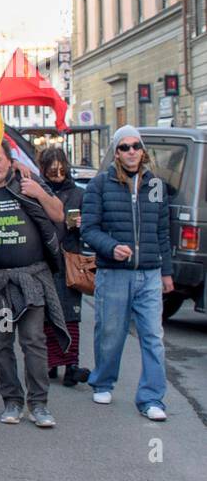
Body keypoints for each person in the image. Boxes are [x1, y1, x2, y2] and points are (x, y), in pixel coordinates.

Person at [0, 138, 69, 428]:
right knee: (1, 344)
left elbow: (59, 214)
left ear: (10, 162)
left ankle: (39, 405)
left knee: (33, 342)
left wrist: (39, 192)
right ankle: (12, 401)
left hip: (31, 280)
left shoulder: (28, 181)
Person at [81, 126, 173, 420]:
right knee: (111, 333)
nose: (131, 151)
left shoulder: (156, 184)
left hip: (149, 273)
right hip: (114, 273)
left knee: (153, 337)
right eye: (124, 147)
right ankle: (103, 381)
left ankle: (152, 398)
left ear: (142, 150)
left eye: (136, 146)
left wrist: (166, 273)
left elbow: (162, 233)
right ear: (116, 152)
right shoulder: (100, 184)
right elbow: (88, 230)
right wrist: (111, 247)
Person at [39, 147, 90, 387]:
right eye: (52, 171)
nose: (58, 174)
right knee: (47, 314)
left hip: (70, 258)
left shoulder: (78, 194)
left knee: (71, 314)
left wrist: (83, 223)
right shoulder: (40, 192)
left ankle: (71, 364)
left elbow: (93, 225)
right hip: (45, 259)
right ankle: (51, 362)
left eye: (61, 170)